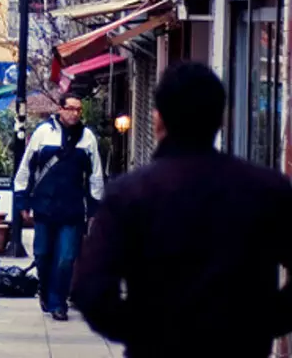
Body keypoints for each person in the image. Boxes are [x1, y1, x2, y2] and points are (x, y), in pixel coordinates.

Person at [72, 62, 292, 357]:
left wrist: (144, 331)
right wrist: (262, 323)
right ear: (221, 120)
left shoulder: (131, 194)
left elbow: (90, 288)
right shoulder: (267, 189)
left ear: (159, 120)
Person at [14, 92, 104, 321]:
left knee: (66, 258)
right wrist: (22, 200)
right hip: (45, 207)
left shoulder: (88, 138)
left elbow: (95, 176)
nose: (74, 113)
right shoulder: (44, 133)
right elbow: (26, 167)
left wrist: (94, 208)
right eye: (70, 108)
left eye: (78, 109)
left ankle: (58, 302)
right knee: (42, 255)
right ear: (60, 109)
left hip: (73, 210)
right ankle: (44, 291)